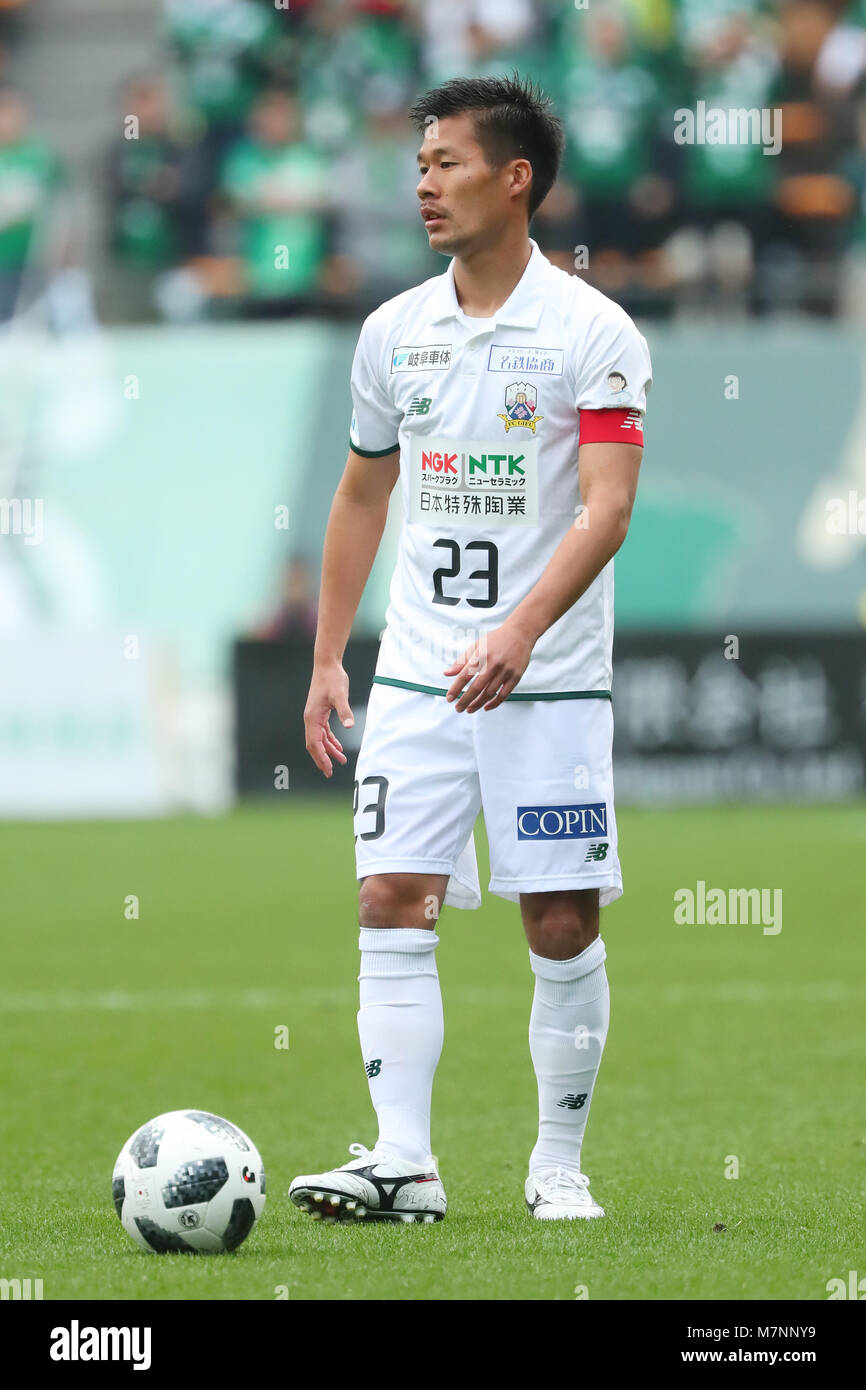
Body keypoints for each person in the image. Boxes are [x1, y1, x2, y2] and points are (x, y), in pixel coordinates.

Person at [291, 73, 652, 1224]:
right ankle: (405, 1162)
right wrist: (327, 655)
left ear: (516, 179)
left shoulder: (593, 333)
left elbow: (605, 510)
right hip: (416, 669)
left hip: (543, 679)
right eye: (417, 164)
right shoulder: (392, 331)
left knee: (558, 916)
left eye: (446, 162)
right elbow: (359, 494)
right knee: (391, 894)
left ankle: (557, 1165)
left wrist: (520, 631)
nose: (424, 183)